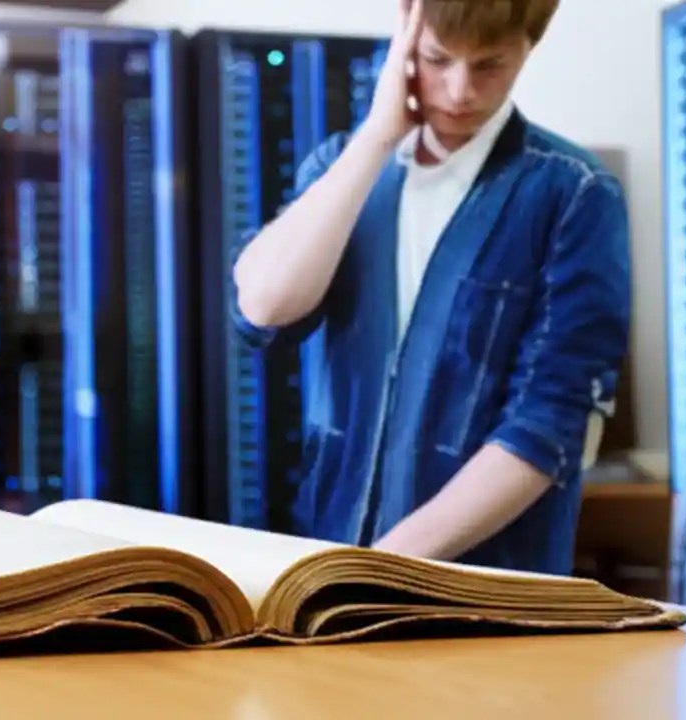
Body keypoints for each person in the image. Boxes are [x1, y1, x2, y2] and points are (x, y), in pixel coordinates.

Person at [231, 0, 629, 575]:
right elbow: (264, 306)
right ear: (403, 41)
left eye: (488, 65)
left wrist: (377, 568)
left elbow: (548, 427)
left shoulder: (575, 193)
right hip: (328, 567)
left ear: (528, 46)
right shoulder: (340, 170)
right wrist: (374, 137)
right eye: (437, 59)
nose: (460, 89)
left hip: (480, 590)